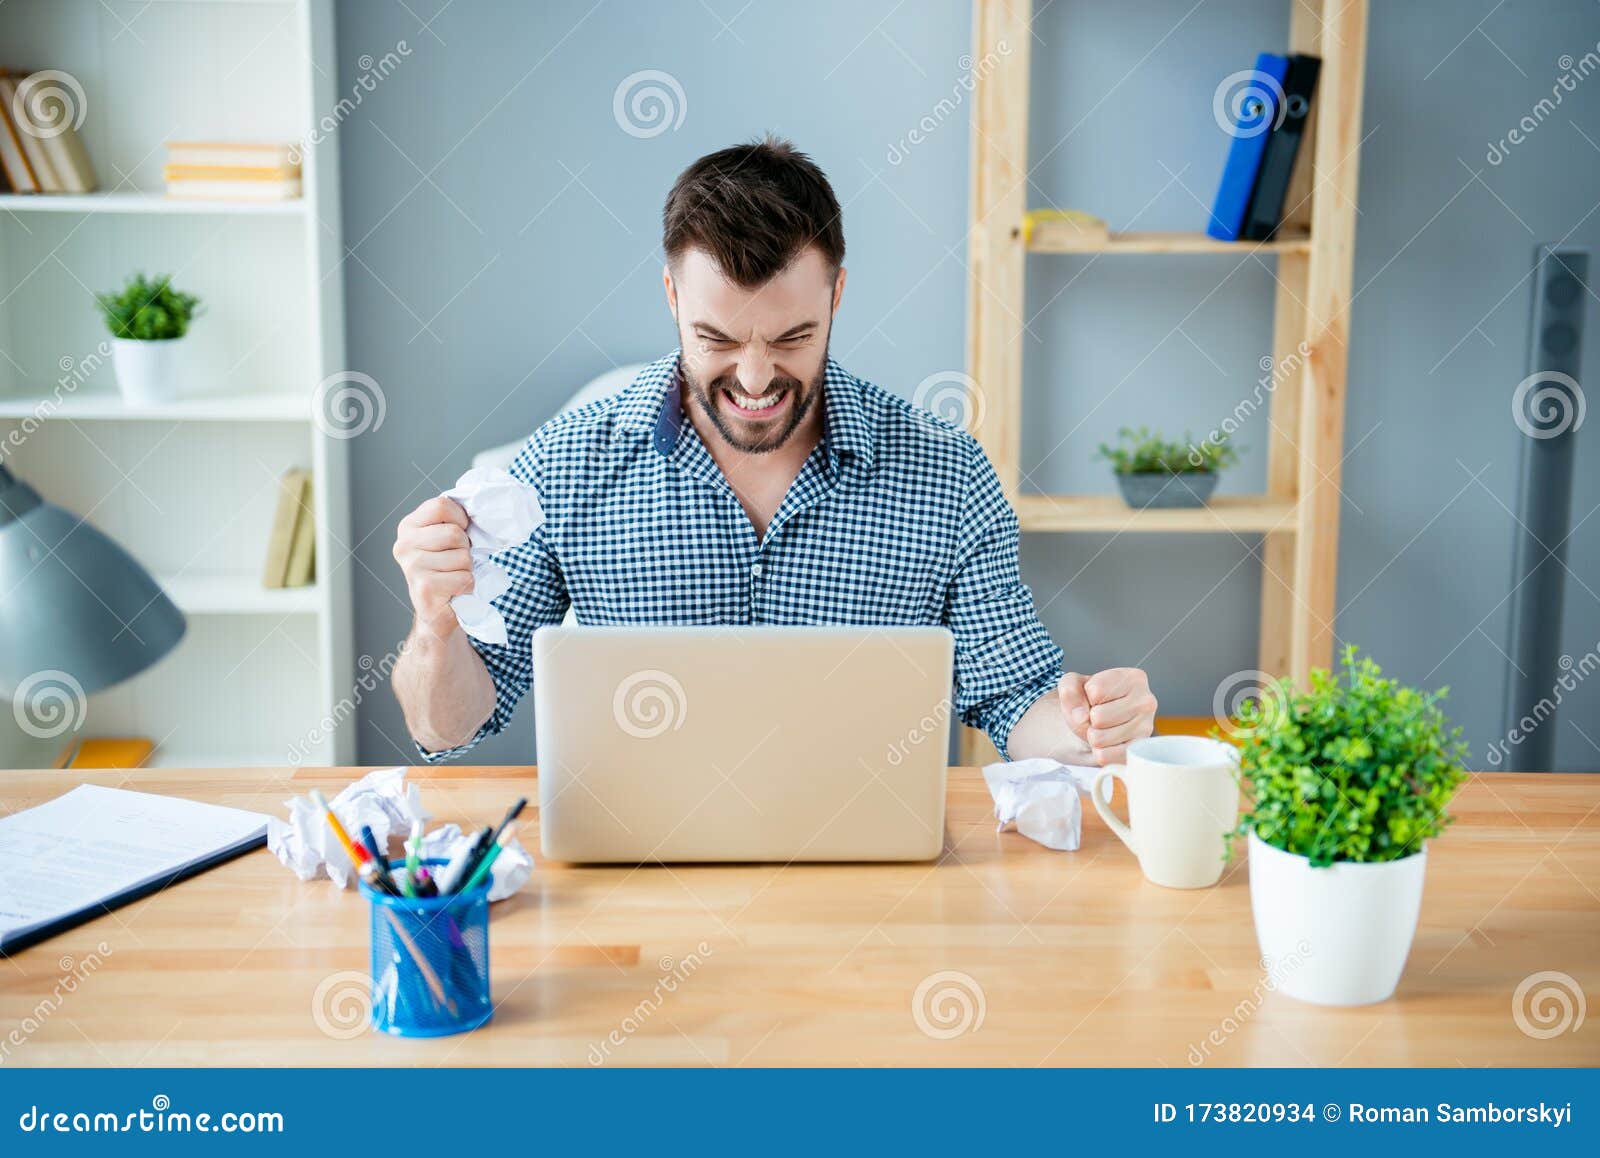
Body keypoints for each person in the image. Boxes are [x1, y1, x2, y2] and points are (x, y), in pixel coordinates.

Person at [392, 137, 1157, 765]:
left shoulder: (947, 475)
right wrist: (435, 624)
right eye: (717, 339)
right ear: (671, 298)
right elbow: (446, 726)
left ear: (837, 295)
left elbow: (1017, 698)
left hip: (873, 892)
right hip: (637, 884)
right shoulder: (563, 468)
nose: (754, 379)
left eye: (792, 338)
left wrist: (1090, 727)